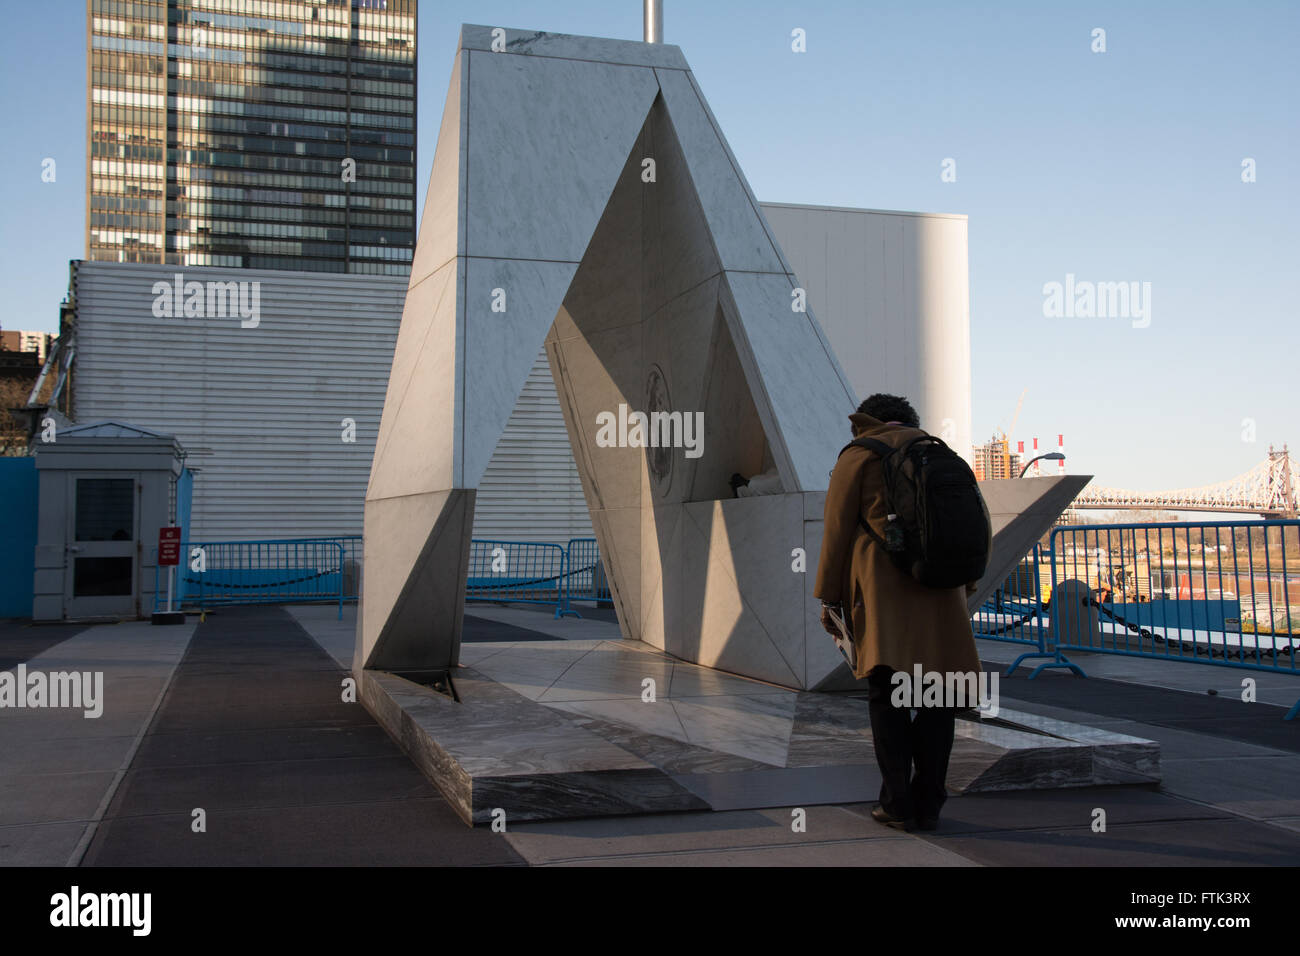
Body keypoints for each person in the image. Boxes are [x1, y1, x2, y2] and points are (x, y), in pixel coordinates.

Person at [814, 393, 983, 832]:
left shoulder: (859, 455)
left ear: (865, 421)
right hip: (941, 593)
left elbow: (835, 531)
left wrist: (828, 597)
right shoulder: (939, 454)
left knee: (887, 695)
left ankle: (897, 802)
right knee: (936, 699)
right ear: (910, 420)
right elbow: (973, 523)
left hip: (884, 594)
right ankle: (930, 803)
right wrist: (966, 584)